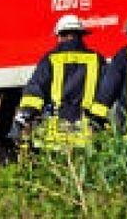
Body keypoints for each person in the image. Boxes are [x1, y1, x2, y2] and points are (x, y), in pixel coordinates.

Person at [15, 14, 105, 150]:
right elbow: (107, 92)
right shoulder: (97, 60)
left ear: (61, 35)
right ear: (80, 35)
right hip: (88, 131)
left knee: (59, 160)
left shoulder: (50, 59)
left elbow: (36, 89)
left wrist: (27, 113)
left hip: (58, 131)